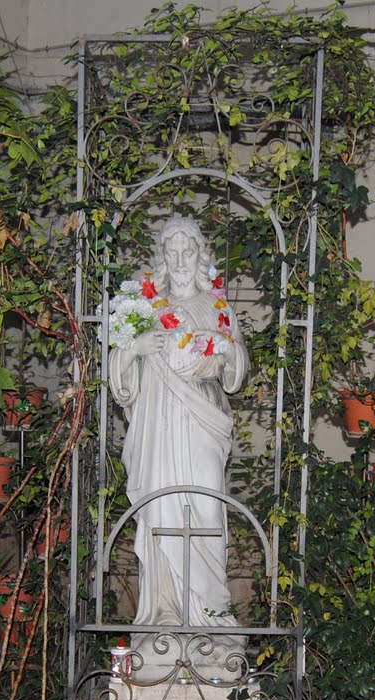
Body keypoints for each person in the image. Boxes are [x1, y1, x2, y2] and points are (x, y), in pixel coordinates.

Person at [108, 215, 248, 676]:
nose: (182, 260)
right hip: (158, 426)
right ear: (162, 258)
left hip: (203, 424)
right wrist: (136, 348)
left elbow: (237, 367)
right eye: (173, 252)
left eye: (189, 252)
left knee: (205, 513)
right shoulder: (144, 306)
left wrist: (222, 353)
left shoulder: (218, 305)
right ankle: (165, 617)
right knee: (161, 515)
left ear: (201, 255)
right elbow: (119, 373)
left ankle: (210, 618)